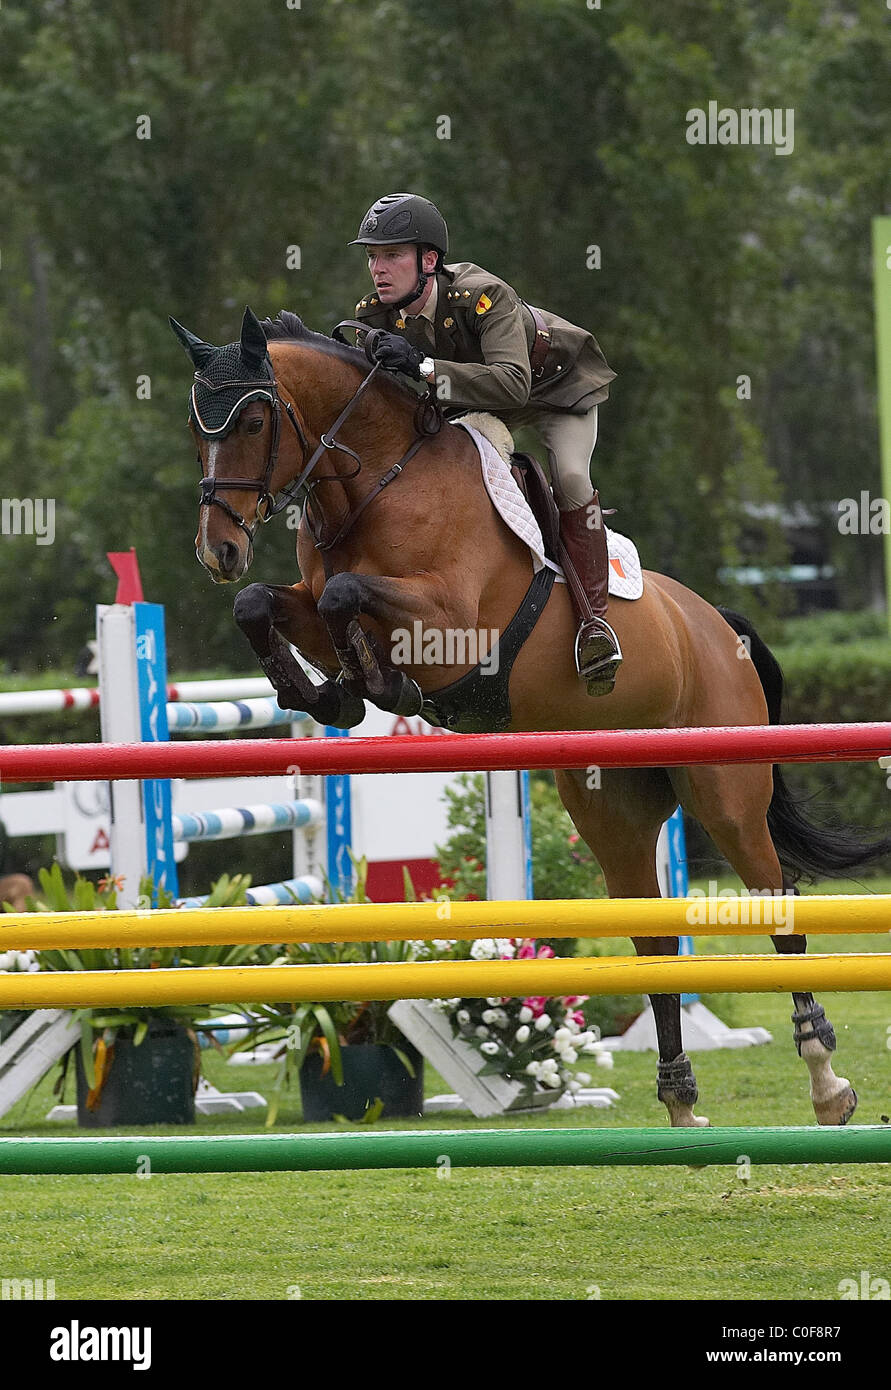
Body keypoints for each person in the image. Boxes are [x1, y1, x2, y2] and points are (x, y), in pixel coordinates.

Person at [347, 192, 622, 695]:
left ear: (428, 261)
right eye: (372, 257)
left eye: (391, 256)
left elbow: (513, 384)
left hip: (556, 390)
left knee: (571, 476)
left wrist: (424, 369)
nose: (377, 269)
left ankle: (594, 624)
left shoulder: (482, 296)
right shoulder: (377, 315)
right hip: (481, 404)